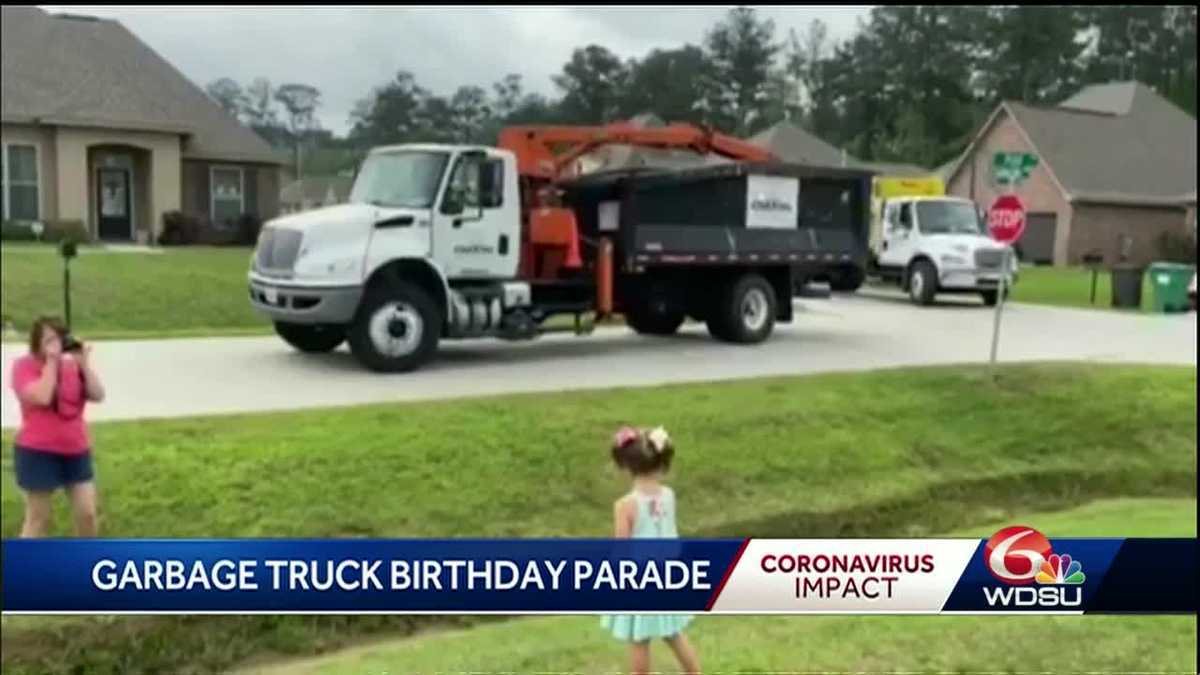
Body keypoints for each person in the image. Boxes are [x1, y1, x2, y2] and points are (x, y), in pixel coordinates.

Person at [602, 425, 701, 675]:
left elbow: (621, 549)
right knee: (673, 632)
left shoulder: (625, 505)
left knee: (639, 638)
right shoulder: (668, 495)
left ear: (626, 466)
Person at [10, 317, 105, 537]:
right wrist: (52, 364)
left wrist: (84, 365)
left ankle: (85, 561)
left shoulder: (71, 366)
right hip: (37, 451)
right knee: (38, 518)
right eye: (49, 340)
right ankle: (22, 567)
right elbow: (42, 397)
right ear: (36, 344)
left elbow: (98, 394)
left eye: (60, 338)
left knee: (87, 513)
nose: (56, 345)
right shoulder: (23, 366)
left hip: (75, 448)